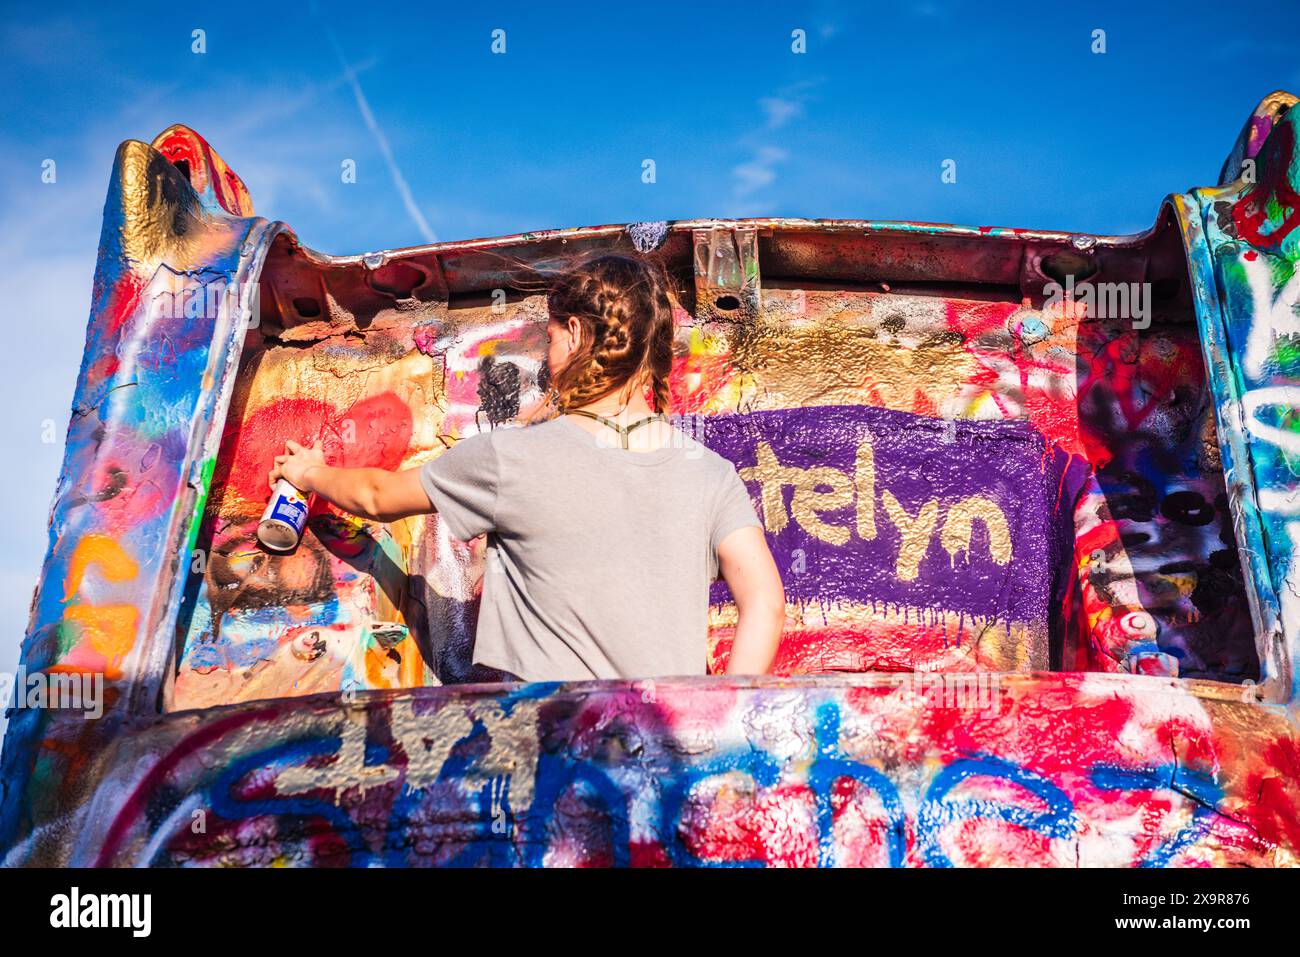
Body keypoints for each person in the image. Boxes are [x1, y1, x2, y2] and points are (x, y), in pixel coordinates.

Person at [269, 253, 785, 682]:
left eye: (552, 339)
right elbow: (764, 601)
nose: (548, 357)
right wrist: (723, 718)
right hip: (667, 768)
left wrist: (309, 472)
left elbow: (377, 498)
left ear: (579, 334)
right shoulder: (711, 474)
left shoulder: (509, 458)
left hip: (553, 758)